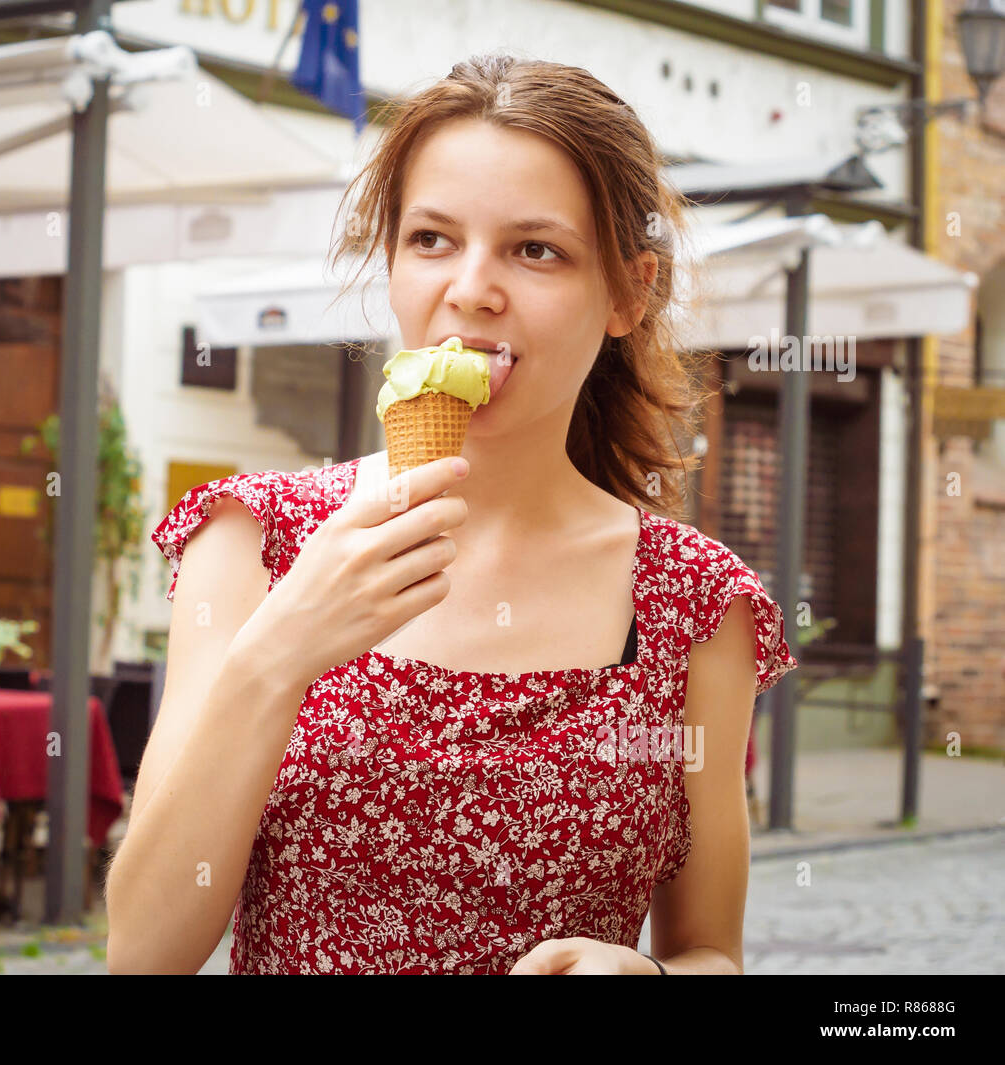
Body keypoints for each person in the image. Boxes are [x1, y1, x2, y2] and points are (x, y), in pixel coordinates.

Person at [105, 53, 799, 975]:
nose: (471, 287)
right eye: (431, 238)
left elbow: (712, 947)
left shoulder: (696, 603)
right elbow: (142, 954)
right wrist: (281, 649)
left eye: (535, 248)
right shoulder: (253, 542)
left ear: (632, 292)